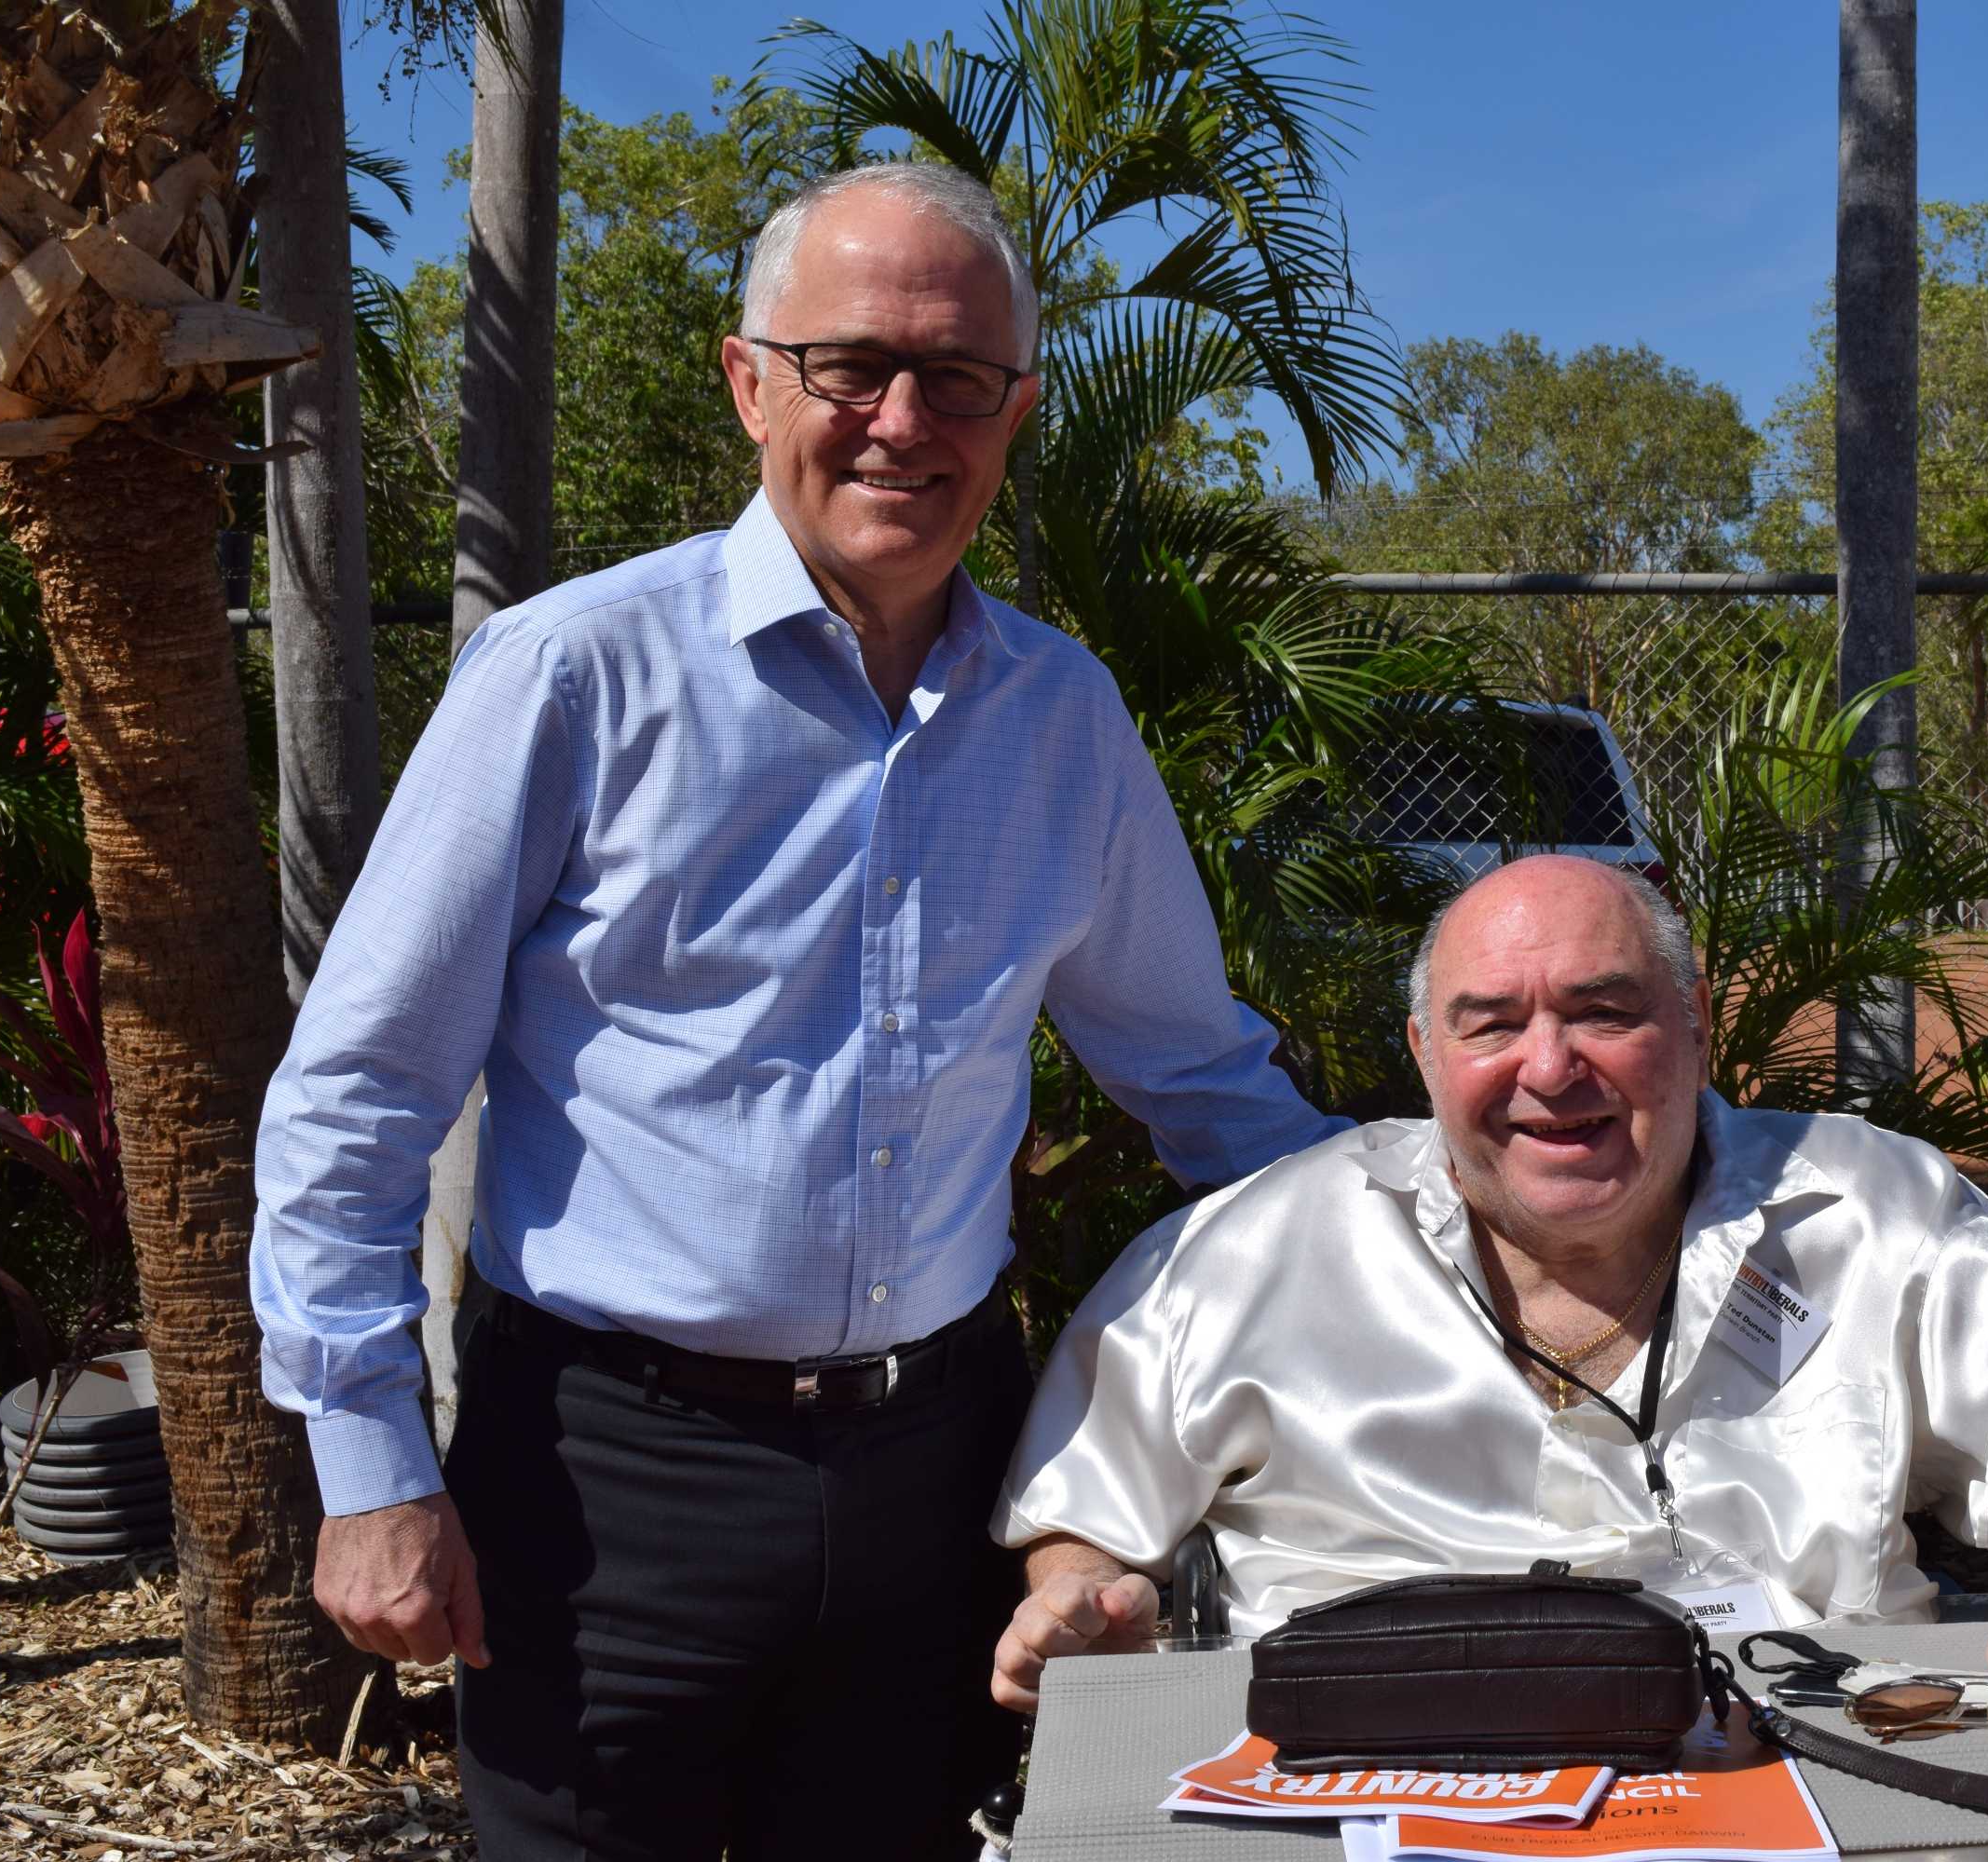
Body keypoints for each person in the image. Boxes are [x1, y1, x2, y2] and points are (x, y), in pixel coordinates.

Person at [248, 163, 1341, 1861]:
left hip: (937, 1479)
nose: (904, 419)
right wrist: (371, 1464)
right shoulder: (572, 677)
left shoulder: (1062, 719)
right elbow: (362, 1092)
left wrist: (1457, 1254)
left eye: (960, 376)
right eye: (850, 366)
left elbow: (1202, 1080)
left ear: (1016, 410)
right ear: (751, 382)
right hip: (606, 1488)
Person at [991, 854, 1988, 1721]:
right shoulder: (1265, 1241)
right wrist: (1084, 1599)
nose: (1550, 1067)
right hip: (1371, 1782)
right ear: (1424, 1053)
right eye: (1491, 1023)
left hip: (1826, 1768)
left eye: (1603, 1013)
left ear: (1696, 1023)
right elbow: (1089, 1499)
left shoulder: (1865, 1204)